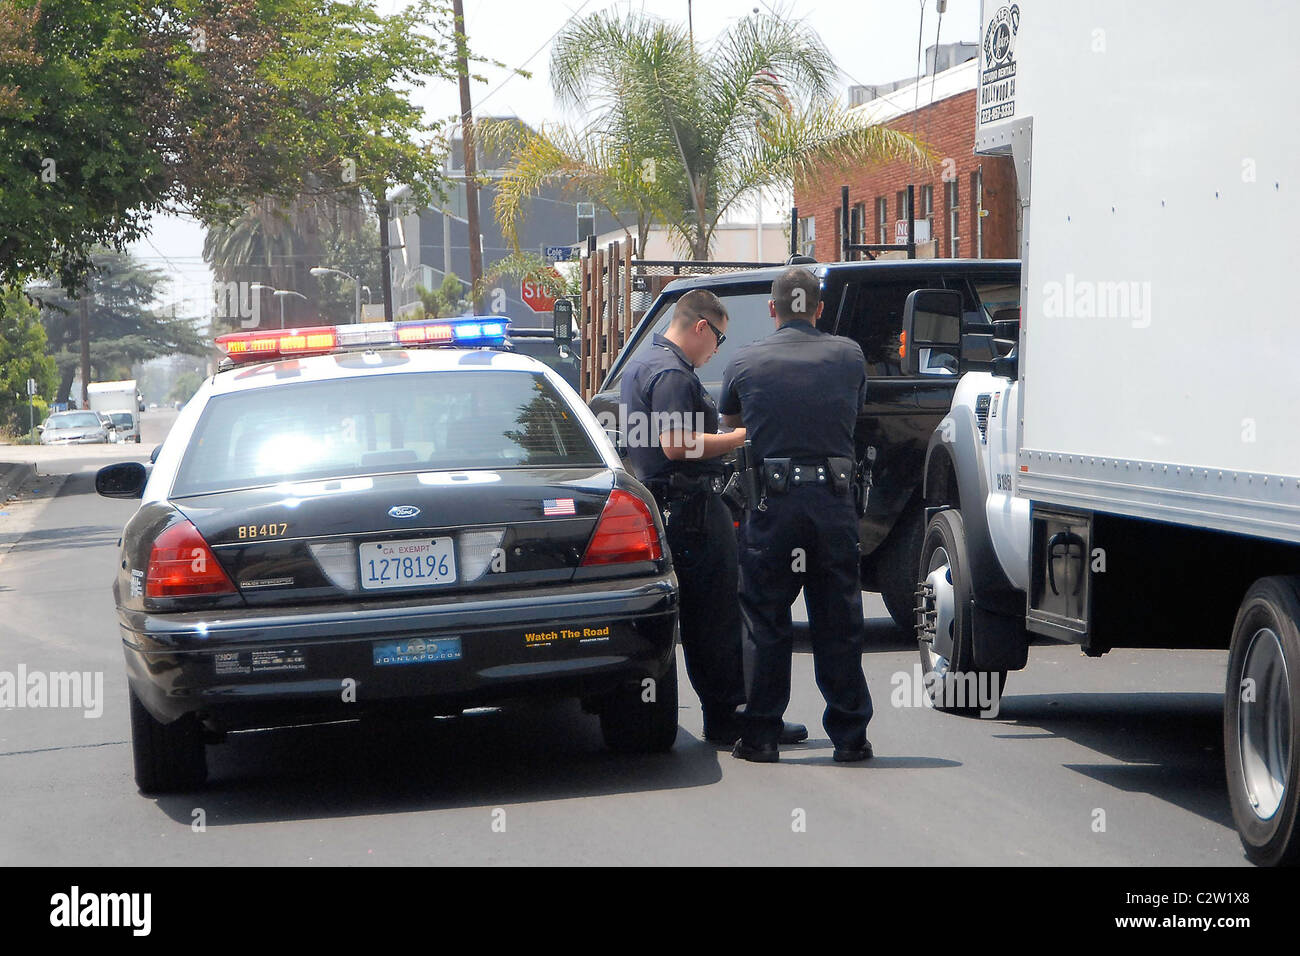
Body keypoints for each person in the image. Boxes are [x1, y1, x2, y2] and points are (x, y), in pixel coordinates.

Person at [621, 288, 806, 746]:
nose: (717, 351)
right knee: (719, 617)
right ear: (701, 327)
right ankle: (732, 714)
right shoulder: (673, 374)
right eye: (719, 339)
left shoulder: (642, 364)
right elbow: (677, 444)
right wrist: (741, 437)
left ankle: (725, 712)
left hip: (666, 505)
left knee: (704, 619)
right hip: (693, 508)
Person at [719, 267, 874, 763]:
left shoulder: (745, 360)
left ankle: (762, 734)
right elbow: (856, 411)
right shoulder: (849, 355)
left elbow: (732, 425)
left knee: (766, 619)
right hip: (833, 503)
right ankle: (850, 738)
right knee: (839, 619)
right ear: (820, 309)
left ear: (773, 309)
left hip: (773, 505)